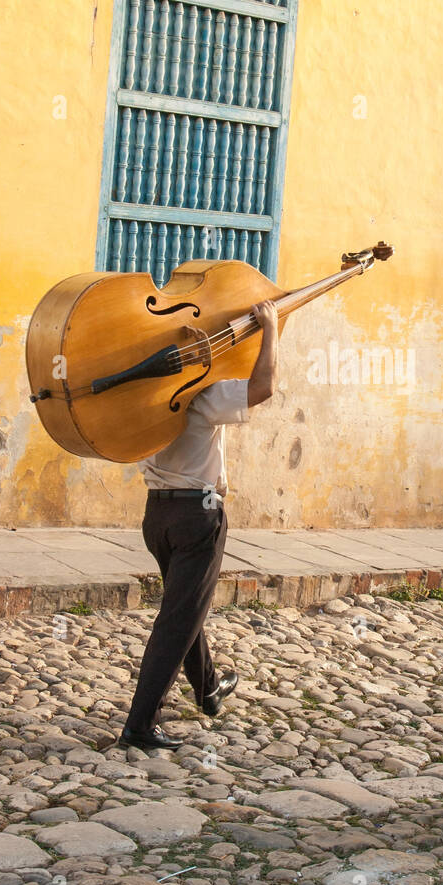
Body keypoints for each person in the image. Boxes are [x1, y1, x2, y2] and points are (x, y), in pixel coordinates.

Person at [119, 300, 279, 751]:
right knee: (177, 620)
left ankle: (208, 688)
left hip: (157, 515)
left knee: (183, 608)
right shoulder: (201, 394)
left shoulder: (138, 395)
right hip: (197, 515)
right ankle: (139, 725)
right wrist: (269, 328)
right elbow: (263, 387)